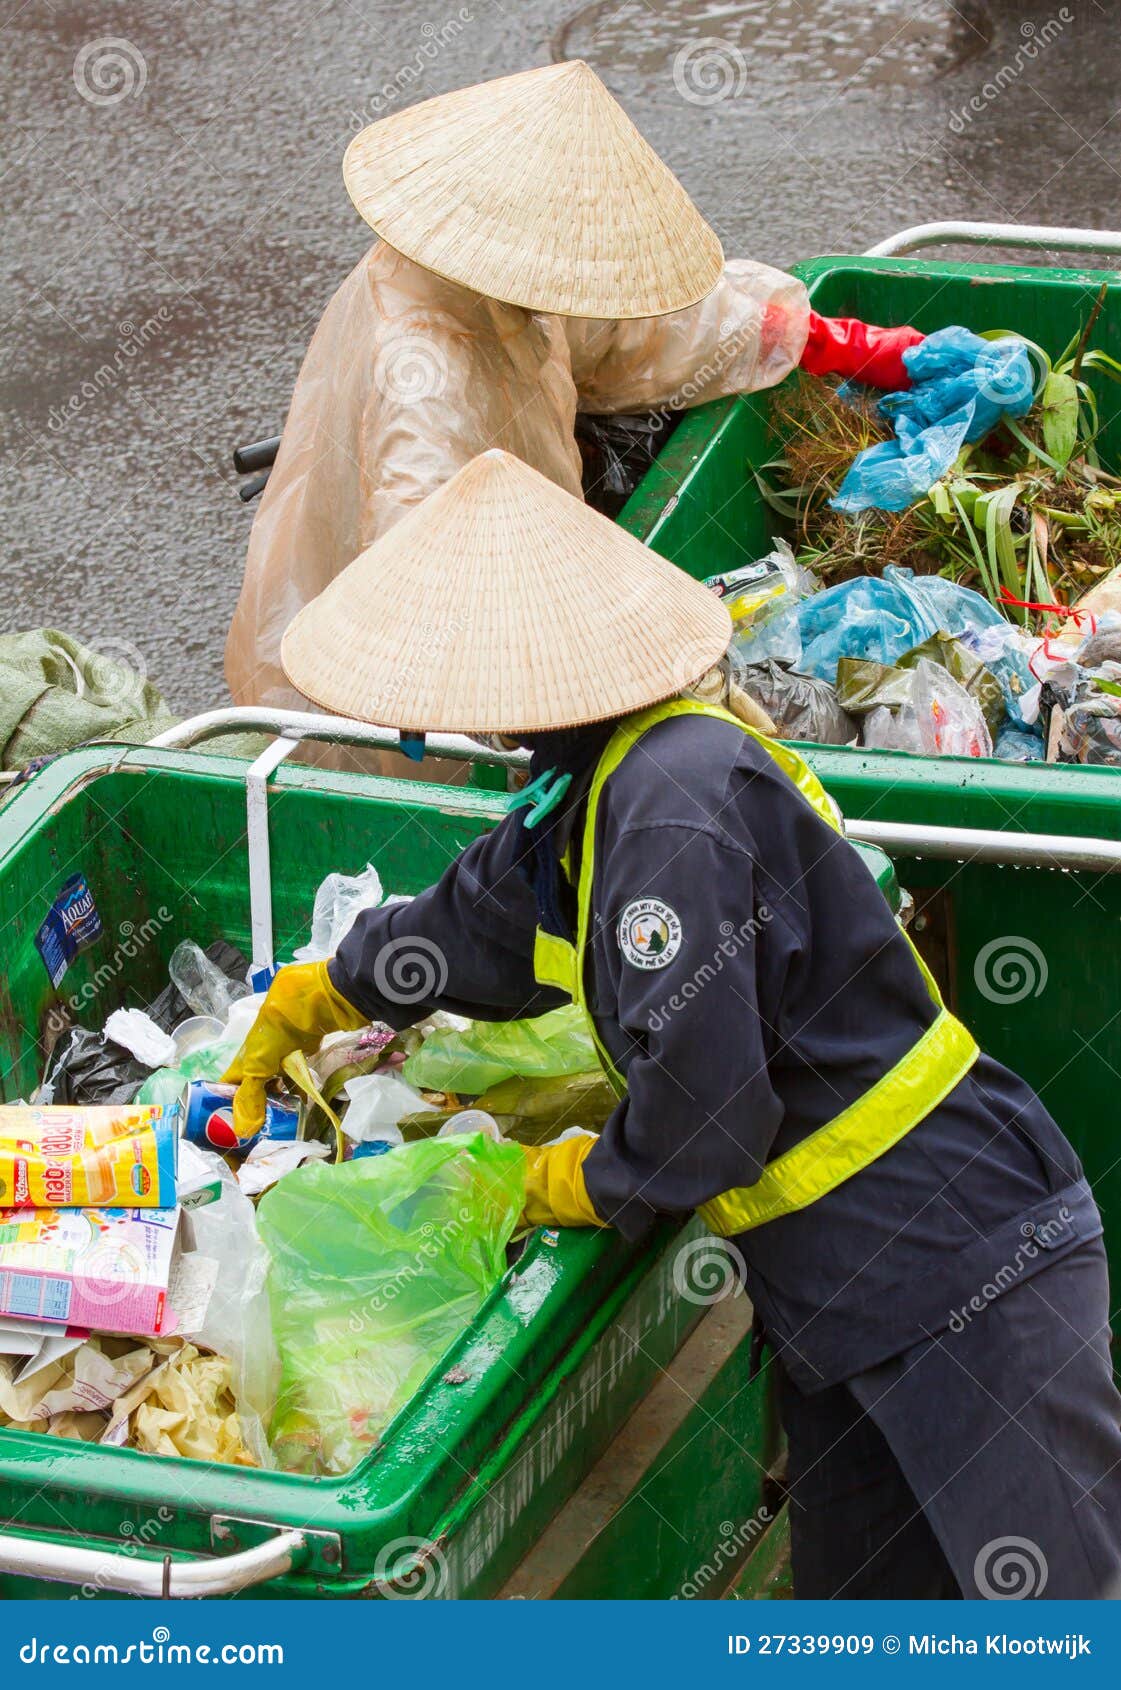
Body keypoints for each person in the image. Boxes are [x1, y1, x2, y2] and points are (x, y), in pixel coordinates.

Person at [225, 448, 1121, 1601]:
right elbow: (476, 924)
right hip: (838, 1298)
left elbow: (707, 1119)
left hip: (959, 1267)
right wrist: (323, 994)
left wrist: (560, 1182)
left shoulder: (666, 808)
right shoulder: (586, 792)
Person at [225, 59, 920, 719]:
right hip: (426, 694)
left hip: (521, 581)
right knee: (472, 807)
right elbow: (432, 594)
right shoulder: (424, 379)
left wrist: (823, 340)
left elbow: (627, 332)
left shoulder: (499, 268)